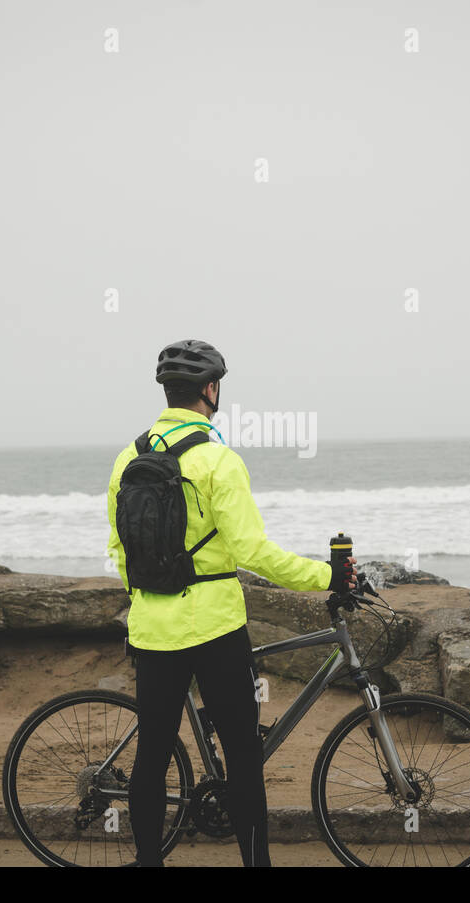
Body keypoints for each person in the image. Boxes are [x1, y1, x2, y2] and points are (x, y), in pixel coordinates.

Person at [106, 339, 357, 867]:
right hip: (216, 631)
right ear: (211, 389)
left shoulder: (127, 459)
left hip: (152, 630)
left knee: (152, 757)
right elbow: (253, 552)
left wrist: (150, 601)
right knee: (243, 757)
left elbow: (119, 552)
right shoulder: (219, 460)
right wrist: (326, 576)